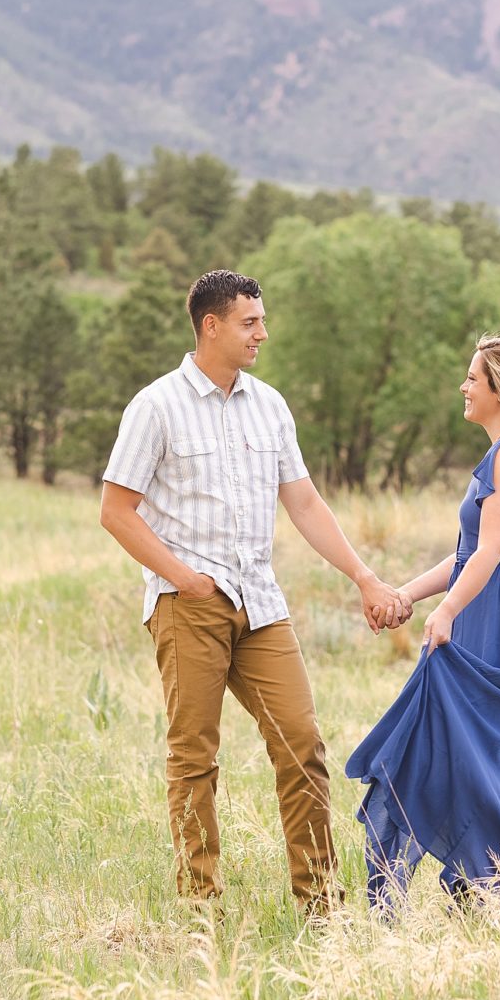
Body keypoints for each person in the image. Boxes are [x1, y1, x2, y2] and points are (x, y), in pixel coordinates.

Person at [100, 269, 411, 918]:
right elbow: (117, 509)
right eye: (250, 322)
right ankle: (200, 905)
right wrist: (181, 577)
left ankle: (320, 902)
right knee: (194, 755)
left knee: (302, 743)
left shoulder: (270, 404)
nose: (262, 333)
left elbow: (303, 500)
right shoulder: (155, 406)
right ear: (210, 325)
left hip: (262, 604)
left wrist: (364, 575)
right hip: (189, 604)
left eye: (262, 320)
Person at [344, 335, 500, 914]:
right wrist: (410, 593)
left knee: (447, 748)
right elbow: (468, 554)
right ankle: (488, 889)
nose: (464, 387)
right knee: (466, 751)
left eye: (473, 377)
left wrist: (446, 611)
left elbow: (492, 550)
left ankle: (489, 887)